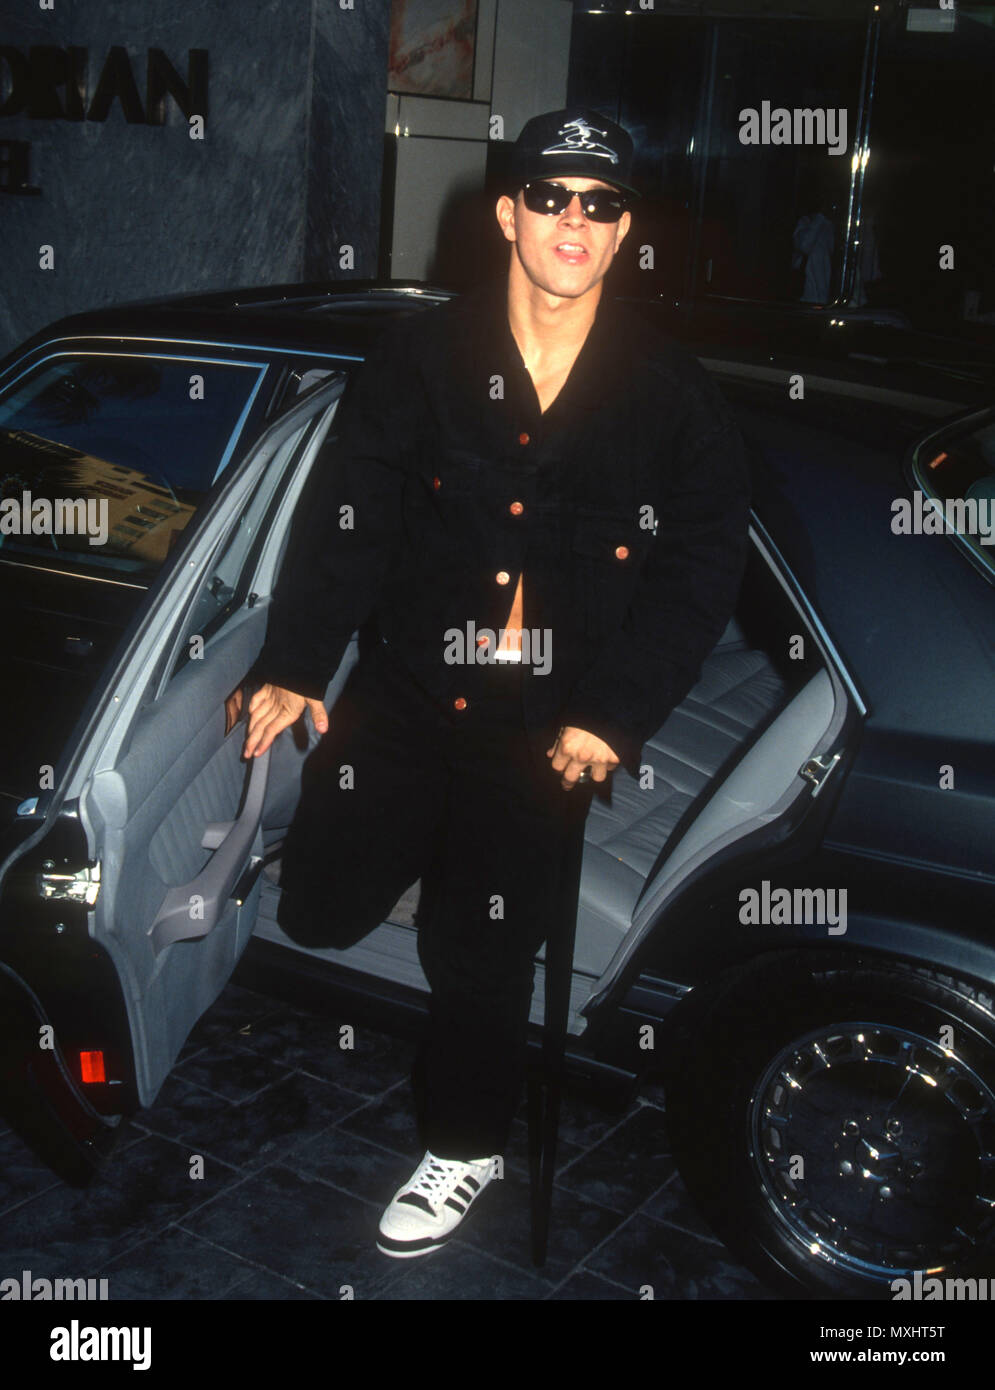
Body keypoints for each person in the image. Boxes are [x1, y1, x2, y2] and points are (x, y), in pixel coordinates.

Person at [240, 107, 751, 1259]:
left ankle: (464, 1144)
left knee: (479, 956)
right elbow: (347, 516)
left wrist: (613, 712)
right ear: (508, 213)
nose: (575, 219)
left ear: (622, 235)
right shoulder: (419, 358)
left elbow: (700, 562)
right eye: (553, 196)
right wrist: (292, 665)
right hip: (410, 690)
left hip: (545, 723)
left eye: (601, 203)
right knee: (317, 908)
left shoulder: (671, 397)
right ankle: (430, 859)